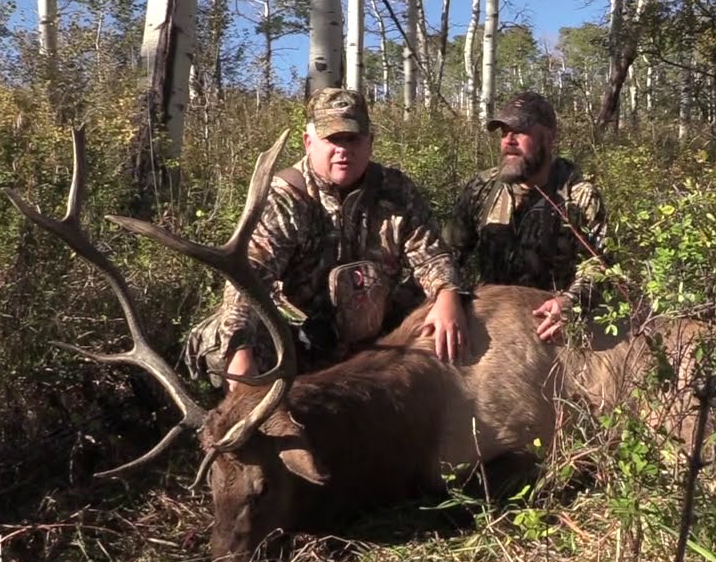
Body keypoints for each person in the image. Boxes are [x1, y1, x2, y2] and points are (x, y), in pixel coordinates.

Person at [187, 88, 469, 387]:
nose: (343, 149)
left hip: (378, 337)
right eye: (332, 139)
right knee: (226, 339)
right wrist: (240, 351)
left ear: (370, 143)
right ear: (309, 143)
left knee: (454, 315)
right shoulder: (286, 196)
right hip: (301, 339)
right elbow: (250, 277)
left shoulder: (395, 190)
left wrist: (447, 295)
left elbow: (432, 255)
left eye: (353, 139)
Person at [444, 91, 608, 342]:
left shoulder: (579, 196)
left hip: (550, 330)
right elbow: (447, 255)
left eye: (520, 131)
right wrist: (447, 296)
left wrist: (571, 302)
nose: (508, 141)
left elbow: (603, 267)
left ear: (548, 138)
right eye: (503, 132)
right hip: (492, 322)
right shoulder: (482, 188)